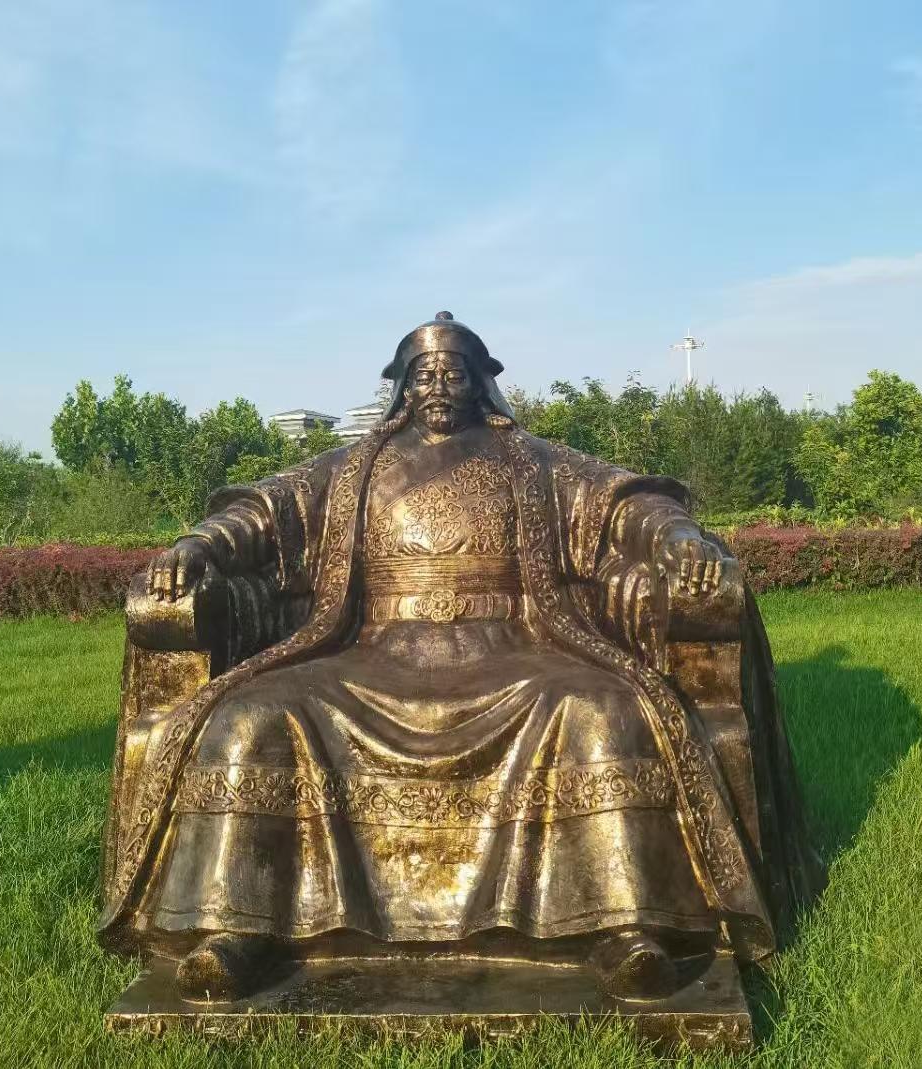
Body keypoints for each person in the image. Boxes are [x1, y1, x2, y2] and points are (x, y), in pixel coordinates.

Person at [99, 313, 818, 1002]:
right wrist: (196, 547)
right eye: (424, 374)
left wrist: (678, 541)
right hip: (371, 650)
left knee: (601, 709)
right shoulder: (350, 470)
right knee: (250, 717)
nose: (439, 386)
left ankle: (623, 928)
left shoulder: (533, 461)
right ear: (401, 387)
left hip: (514, 647)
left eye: (454, 372)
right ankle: (236, 929)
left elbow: (627, 506)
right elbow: (258, 513)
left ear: (481, 382)